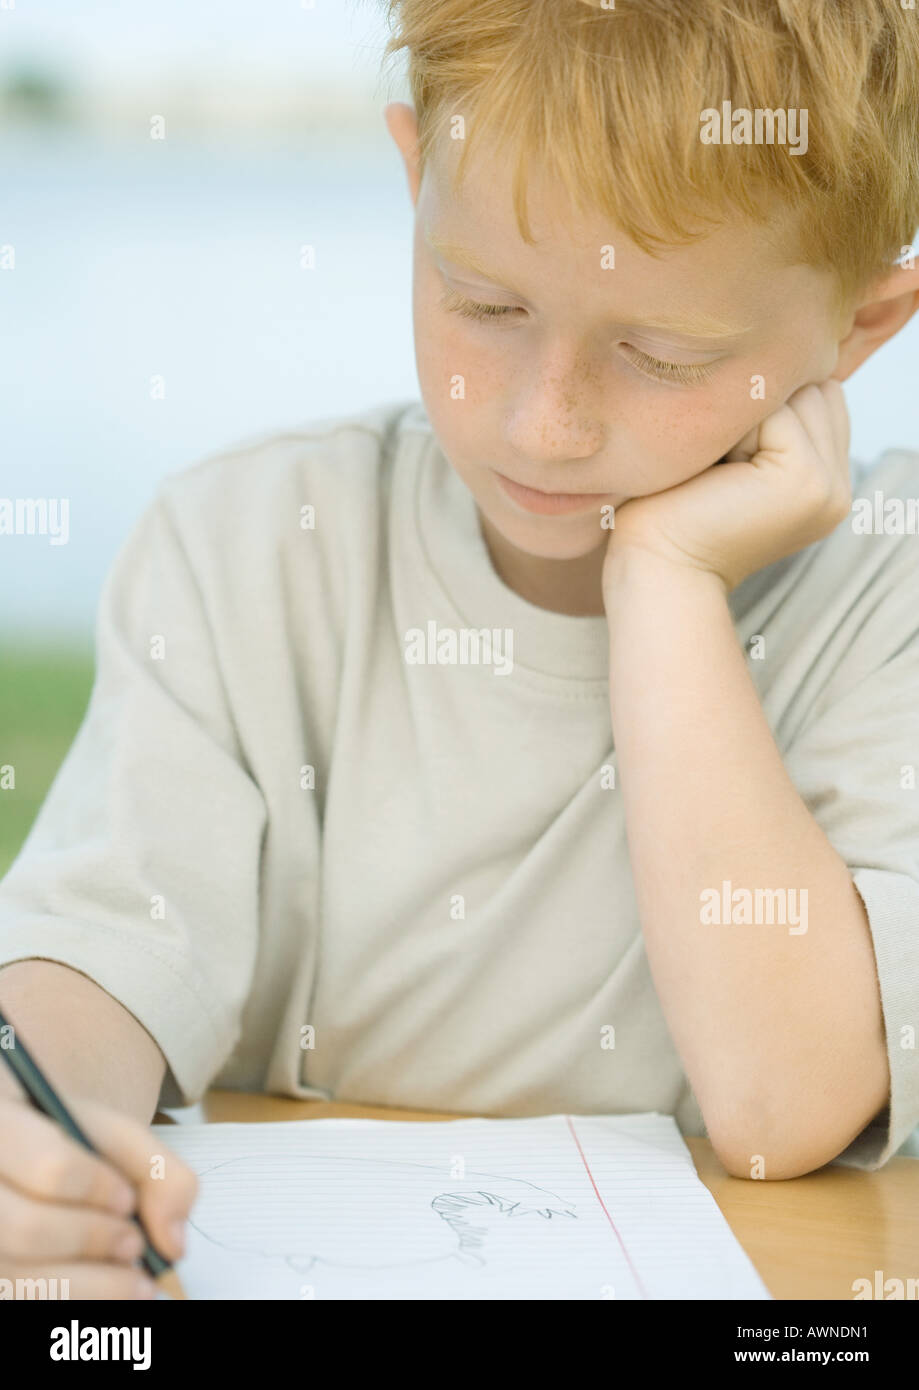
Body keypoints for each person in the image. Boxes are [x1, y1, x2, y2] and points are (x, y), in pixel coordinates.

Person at [1, 0, 918, 1300]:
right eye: (484, 304)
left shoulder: (891, 591)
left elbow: (786, 1101)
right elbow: (98, 952)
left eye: (662, 354)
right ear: (415, 182)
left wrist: (665, 586)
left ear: (861, 328)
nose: (545, 426)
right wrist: (29, 1147)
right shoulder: (248, 549)